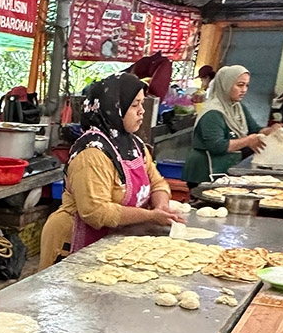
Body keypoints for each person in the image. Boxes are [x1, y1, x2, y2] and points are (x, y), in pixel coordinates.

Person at [39, 73, 183, 269]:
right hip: (73, 243)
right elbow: (96, 212)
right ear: (114, 108)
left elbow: (157, 182)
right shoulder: (92, 152)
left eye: (142, 104)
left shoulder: (134, 144)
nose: (142, 111)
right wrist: (150, 216)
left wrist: (161, 206)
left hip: (112, 242)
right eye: (134, 105)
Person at [182, 65, 279, 186]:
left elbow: (254, 129)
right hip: (204, 172)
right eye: (240, 85)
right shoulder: (213, 112)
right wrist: (248, 141)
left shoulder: (237, 107)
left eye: (246, 85)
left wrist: (271, 130)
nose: (244, 90)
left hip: (223, 170)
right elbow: (217, 146)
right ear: (226, 85)